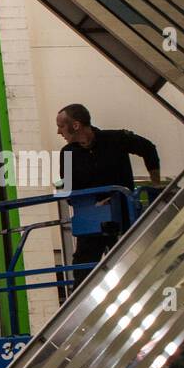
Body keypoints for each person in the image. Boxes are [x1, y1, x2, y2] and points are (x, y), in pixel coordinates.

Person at [55, 104, 161, 287]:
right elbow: (70, 191)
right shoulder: (68, 153)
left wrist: (156, 184)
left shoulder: (115, 139)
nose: (59, 132)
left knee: (128, 262)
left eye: (61, 126)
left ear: (76, 125)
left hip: (123, 216)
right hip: (92, 219)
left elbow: (148, 148)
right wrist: (90, 204)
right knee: (83, 270)